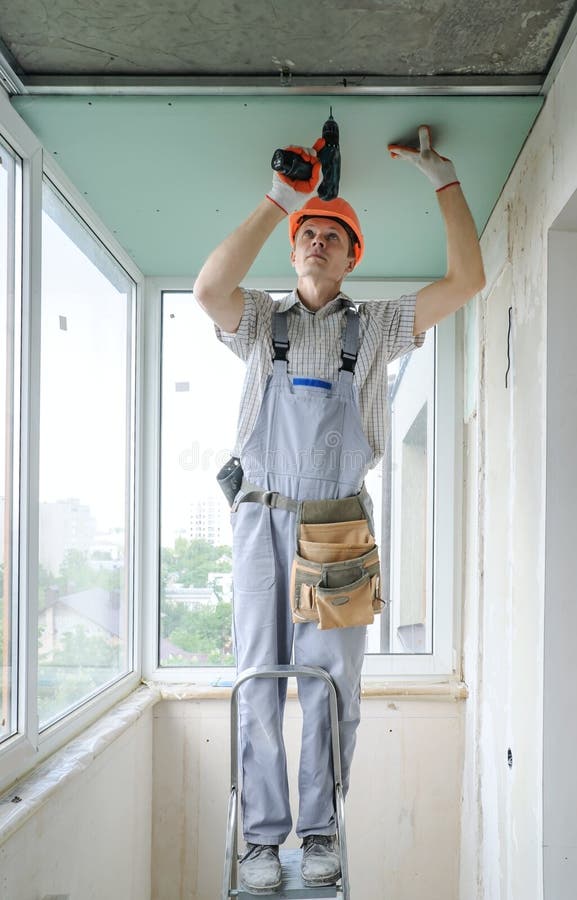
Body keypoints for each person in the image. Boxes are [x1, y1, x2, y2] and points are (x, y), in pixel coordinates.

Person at [193, 125, 485, 895]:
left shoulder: (376, 325)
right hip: (260, 517)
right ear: (293, 251)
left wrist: (443, 178)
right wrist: (279, 198)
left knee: (330, 688)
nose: (317, 243)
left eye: (332, 237)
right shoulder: (260, 321)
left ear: (353, 255)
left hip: (339, 524)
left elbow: (466, 280)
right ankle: (262, 842)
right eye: (307, 235)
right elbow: (208, 290)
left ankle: (319, 831)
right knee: (258, 680)